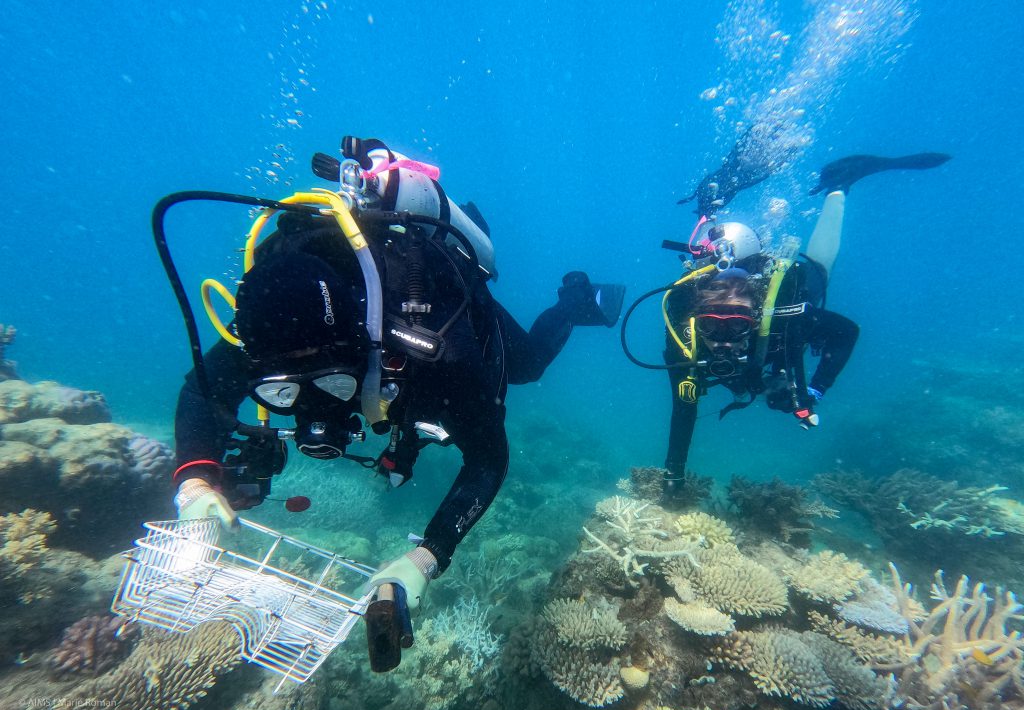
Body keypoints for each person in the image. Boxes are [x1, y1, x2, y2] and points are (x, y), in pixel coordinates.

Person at [170, 137, 624, 616]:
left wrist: (429, 555)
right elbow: (200, 392)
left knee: (528, 366)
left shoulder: (431, 342)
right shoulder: (264, 331)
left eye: (333, 383)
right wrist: (195, 483)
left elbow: (488, 457)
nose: (314, 405)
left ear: (359, 345)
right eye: (281, 392)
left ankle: (575, 301)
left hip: (441, 298)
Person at [656, 152, 947, 482]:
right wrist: (673, 477)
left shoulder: (783, 314)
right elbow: (683, 407)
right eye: (710, 326)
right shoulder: (683, 327)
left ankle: (838, 185)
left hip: (785, 293)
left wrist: (815, 390)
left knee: (818, 273)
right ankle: (710, 209)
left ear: (756, 318)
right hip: (715, 280)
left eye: (737, 326)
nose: (723, 341)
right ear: (697, 321)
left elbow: (846, 332)